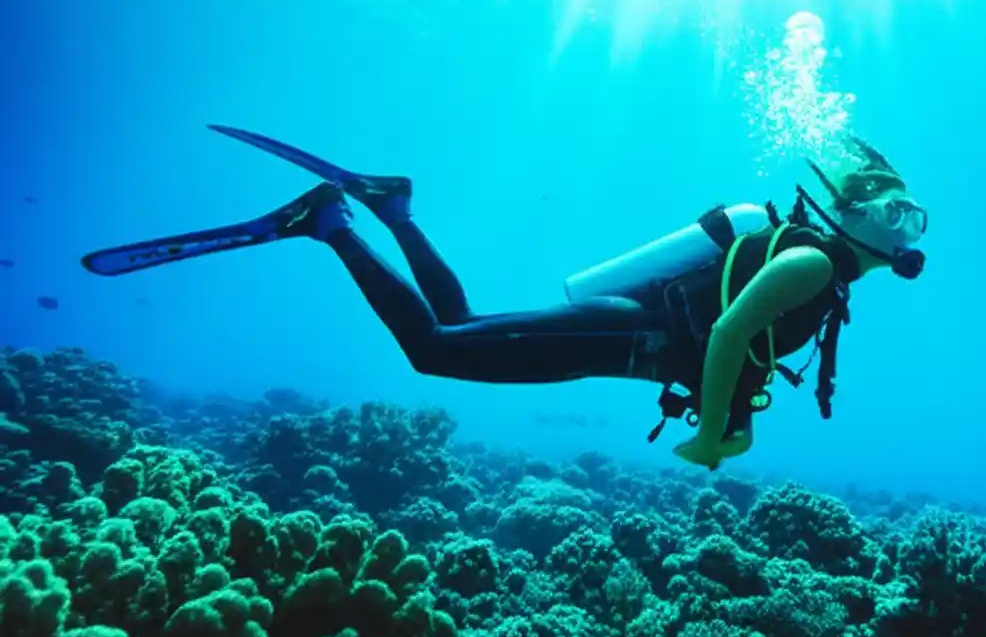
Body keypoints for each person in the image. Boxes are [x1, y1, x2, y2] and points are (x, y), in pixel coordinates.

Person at [83, 125, 928, 470]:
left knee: (457, 326)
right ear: (852, 219)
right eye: (895, 211)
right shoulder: (815, 264)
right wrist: (711, 434)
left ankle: (393, 210)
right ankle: (333, 223)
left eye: (910, 214)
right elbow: (727, 334)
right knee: (434, 348)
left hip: (621, 346)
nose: (908, 227)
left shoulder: (828, 275)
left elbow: (739, 348)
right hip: (620, 340)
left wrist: (733, 419)